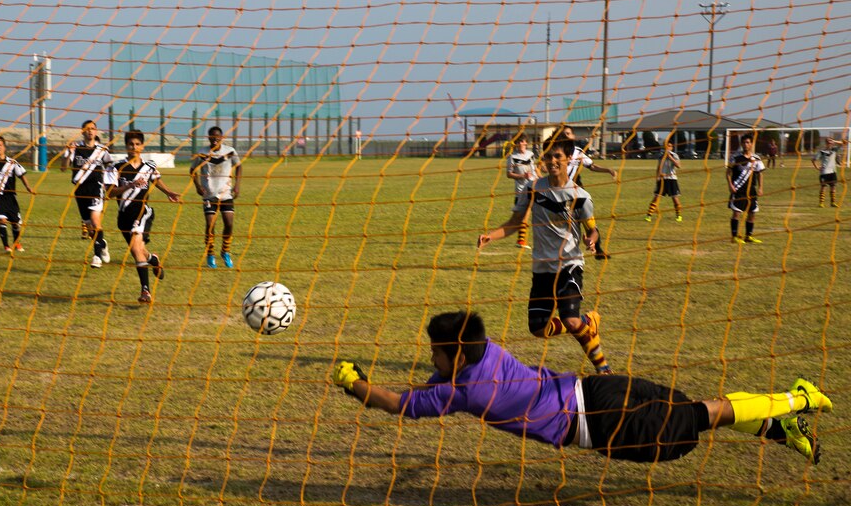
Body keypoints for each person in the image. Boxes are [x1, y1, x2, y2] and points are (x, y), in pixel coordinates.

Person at [333, 311, 831, 464]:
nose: (432, 360)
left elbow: (401, 403)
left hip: (599, 425)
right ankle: (781, 429)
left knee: (699, 419)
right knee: (696, 409)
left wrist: (354, 382)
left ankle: (799, 396)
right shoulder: (486, 352)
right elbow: (435, 381)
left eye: (437, 353)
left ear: (456, 356)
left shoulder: (464, 390)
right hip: (598, 389)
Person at [478, 136, 611, 374]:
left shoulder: (580, 196)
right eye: (548, 156)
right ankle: (588, 323)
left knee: (570, 320)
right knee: (538, 329)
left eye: (557, 156)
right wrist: (491, 236)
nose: (551, 161)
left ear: (569, 159)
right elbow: (515, 222)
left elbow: (593, 229)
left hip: (570, 264)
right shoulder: (532, 188)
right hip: (542, 269)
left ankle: (603, 368)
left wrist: (592, 239)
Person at [109, 131, 180, 304]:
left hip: (142, 212)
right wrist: (130, 185)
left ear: (142, 146)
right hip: (123, 216)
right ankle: (153, 260)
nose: (134, 147)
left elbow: (155, 180)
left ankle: (145, 291)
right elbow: (110, 192)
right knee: (139, 252)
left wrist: (168, 192)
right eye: (130, 144)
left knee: (135, 250)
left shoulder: (149, 166)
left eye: (137, 144)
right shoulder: (116, 167)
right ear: (126, 146)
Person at [61, 120, 114, 267]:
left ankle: (96, 257)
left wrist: (109, 184)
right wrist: (67, 154)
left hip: (96, 188)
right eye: (87, 129)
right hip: (80, 190)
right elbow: (63, 168)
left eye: (93, 128)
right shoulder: (75, 148)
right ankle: (102, 243)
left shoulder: (102, 150)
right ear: (82, 131)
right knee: (90, 228)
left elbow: (110, 167)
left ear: (96, 131)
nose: (90, 131)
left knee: (96, 223)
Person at [559, 125, 616, 259]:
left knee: (588, 221)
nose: (566, 136)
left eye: (568, 133)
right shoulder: (557, 152)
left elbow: (592, 166)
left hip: (577, 191)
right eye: (563, 134)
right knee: (567, 224)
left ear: (573, 136)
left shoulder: (578, 152)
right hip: (560, 192)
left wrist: (608, 170)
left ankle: (598, 249)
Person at [190, 126, 241, 268]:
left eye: (217, 136)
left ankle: (226, 251)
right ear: (208, 138)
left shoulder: (230, 151)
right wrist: (198, 186)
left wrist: (237, 185)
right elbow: (192, 170)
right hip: (209, 194)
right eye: (212, 136)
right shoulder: (202, 153)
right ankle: (210, 254)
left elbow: (239, 166)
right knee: (210, 224)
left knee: (229, 223)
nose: (215, 139)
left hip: (226, 194)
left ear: (222, 137)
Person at [0, 135, 35, 252]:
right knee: (2, 220)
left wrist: (29, 187)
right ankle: (6, 246)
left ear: (4, 147)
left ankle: (16, 243)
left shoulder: (12, 163)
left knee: (15, 223)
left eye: (0, 145)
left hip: (11, 196)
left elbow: (22, 176)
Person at [727, 133, 765, 244]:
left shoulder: (756, 158)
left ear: (752, 144)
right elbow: (728, 173)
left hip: (751, 190)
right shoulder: (735, 157)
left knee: (752, 212)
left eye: (748, 142)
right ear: (741, 144)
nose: (745, 144)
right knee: (736, 213)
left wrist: (761, 188)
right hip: (738, 189)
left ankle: (749, 236)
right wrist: (730, 185)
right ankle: (734, 236)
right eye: (743, 142)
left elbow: (760, 174)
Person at [505, 136, 538, 249]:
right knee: (522, 216)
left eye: (522, 141)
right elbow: (509, 174)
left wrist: (542, 179)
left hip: (534, 187)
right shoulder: (512, 157)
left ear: (526, 142)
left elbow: (535, 169)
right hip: (521, 191)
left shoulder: (531, 154)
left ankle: (522, 240)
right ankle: (521, 241)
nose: (520, 143)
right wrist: (522, 176)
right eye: (518, 142)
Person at [645, 139, 682, 222]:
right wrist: (657, 177)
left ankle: (678, 215)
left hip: (672, 179)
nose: (667, 148)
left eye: (669, 146)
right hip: (662, 179)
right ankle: (649, 215)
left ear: (672, 147)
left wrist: (670, 157)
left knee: (675, 198)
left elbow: (678, 165)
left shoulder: (674, 155)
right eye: (666, 146)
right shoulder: (661, 156)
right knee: (656, 197)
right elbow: (659, 167)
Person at [812, 137, 841, 208]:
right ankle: (821, 203)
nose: (830, 142)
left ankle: (833, 202)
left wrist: (834, 140)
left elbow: (843, 143)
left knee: (833, 187)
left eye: (831, 141)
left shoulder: (834, 149)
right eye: (828, 141)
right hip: (824, 172)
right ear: (826, 143)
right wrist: (817, 167)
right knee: (823, 187)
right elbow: (813, 160)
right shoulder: (822, 151)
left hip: (833, 171)